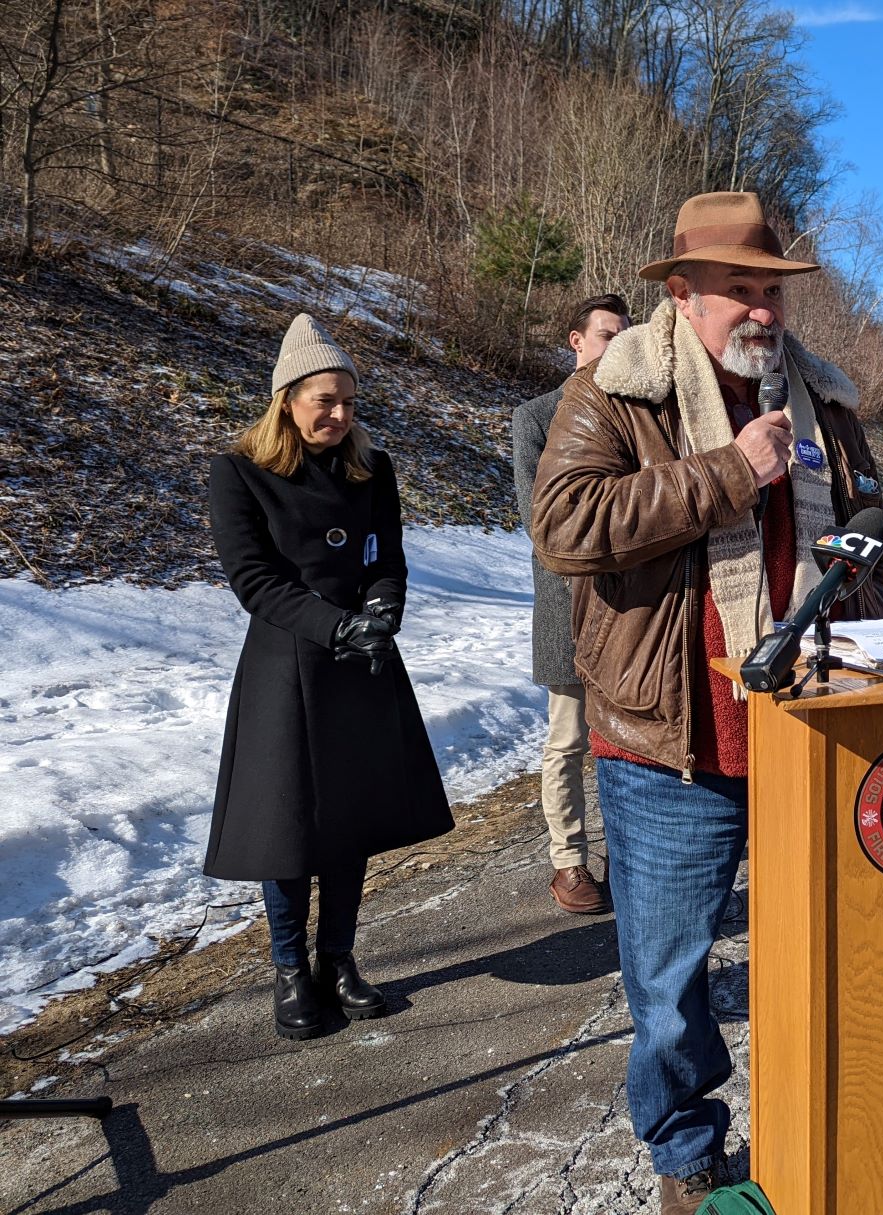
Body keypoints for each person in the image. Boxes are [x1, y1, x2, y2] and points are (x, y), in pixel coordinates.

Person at [529, 191, 883, 1214]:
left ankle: (821, 1111)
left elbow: (872, 525)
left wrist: (863, 582)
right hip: (671, 742)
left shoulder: (825, 399)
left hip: (815, 729)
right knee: (672, 981)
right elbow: (566, 526)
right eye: (740, 291)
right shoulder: (615, 391)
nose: (763, 312)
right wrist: (732, 470)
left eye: (771, 291)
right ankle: (688, 1155)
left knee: (826, 946)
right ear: (682, 296)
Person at [206, 313, 453, 1041]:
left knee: (351, 818)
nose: (341, 415)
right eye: (326, 402)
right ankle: (290, 971)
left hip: (364, 661)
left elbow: (387, 554)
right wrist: (332, 624)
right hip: (286, 662)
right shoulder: (240, 471)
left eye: (349, 402)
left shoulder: (370, 465)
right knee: (289, 826)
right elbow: (252, 577)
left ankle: (337, 960)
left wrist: (381, 609)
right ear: (287, 399)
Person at [512, 293, 631, 915]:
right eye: (607, 335)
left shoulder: (644, 412)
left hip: (636, 611)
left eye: (625, 335)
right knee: (567, 741)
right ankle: (569, 861)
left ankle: (630, 856)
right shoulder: (536, 418)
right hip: (567, 607)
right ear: (576, 341)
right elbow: (546, 523)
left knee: (633, 739)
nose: (617, 346)